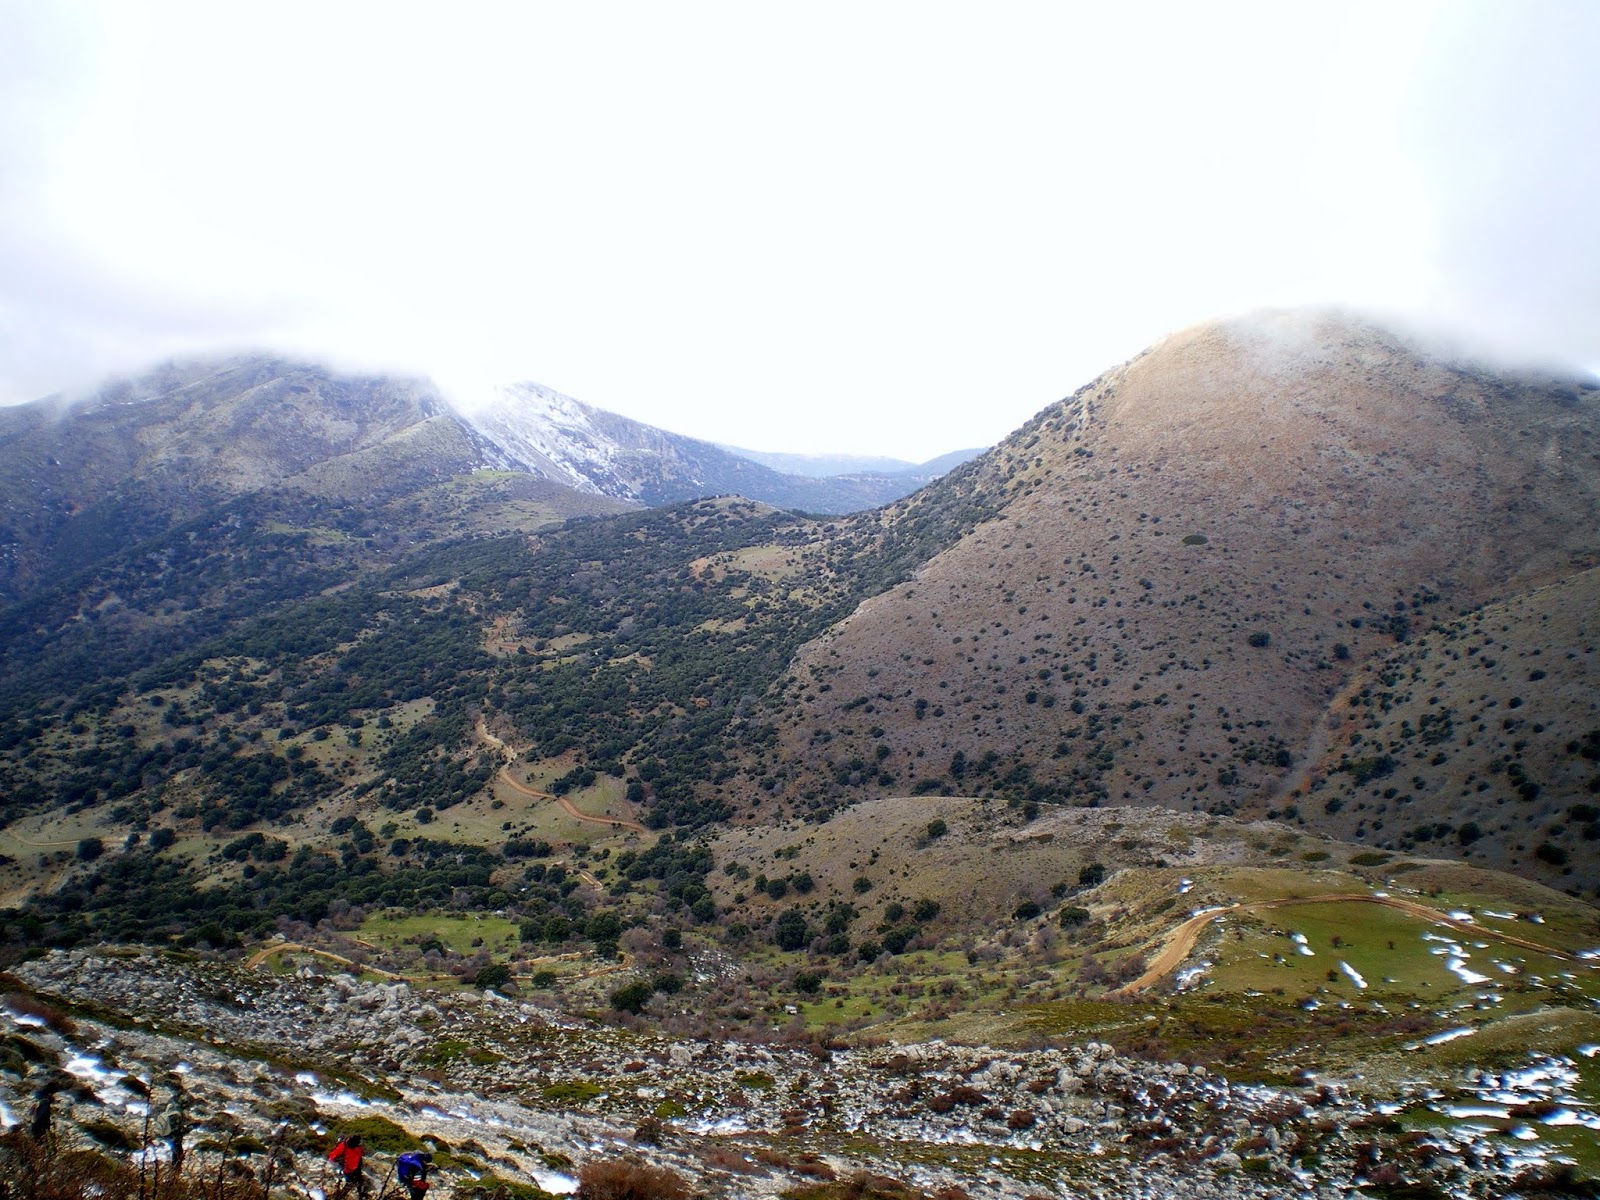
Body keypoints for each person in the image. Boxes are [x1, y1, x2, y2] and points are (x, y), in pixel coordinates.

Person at [153, 1090, 191, 1172]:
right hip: (174, 1139)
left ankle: (174, 1170)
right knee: (178, 1156)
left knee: (175, 1154)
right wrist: (190, 1128)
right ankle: (175, 1173)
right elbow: (179, 1130)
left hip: (169, 1137)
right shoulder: (177, 1115)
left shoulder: (171, 1111)